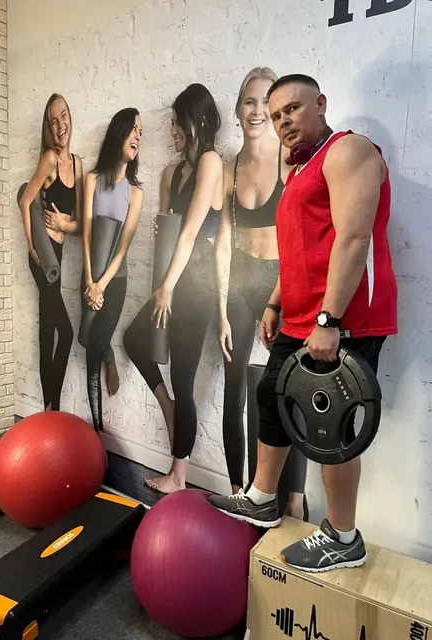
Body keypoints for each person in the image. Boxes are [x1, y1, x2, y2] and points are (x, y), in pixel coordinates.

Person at [210, 73, 398, 573]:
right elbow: (297, 252)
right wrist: (274, 303)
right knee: (271, 395)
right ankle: (262, 497)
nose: (283, 121)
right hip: (301, 319)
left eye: (292, 108)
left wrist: (329, 320)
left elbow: (354, 238)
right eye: (276, 116)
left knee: (330, 426)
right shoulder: (300, 173)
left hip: (343, 321)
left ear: (321, 104)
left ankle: (343, 537)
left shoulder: (348, 151)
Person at [215, 67, 308, 520]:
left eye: (263, 103)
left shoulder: (289, 160)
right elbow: (223, 241)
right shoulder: (228, 169)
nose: (255, 111)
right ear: (238, 110)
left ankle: (292, 500)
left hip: (280, 280)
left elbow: (300, 235)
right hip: (239, 281)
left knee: (288, 388)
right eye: (248, 102)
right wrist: (220, 308)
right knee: (234, 386)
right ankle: (239, 490)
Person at [123, 83, 223, 494]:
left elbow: (191, 232)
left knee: (183, 379)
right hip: (172, 278)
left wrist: (166, 287)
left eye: (177, 122)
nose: (173, 130)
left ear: (197, 121)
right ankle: (167, 405)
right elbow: (168, 229)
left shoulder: (212, 163)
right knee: (133, 339)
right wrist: (162, 276)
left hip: (195, 286)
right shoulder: (172, 172)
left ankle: (178, 476)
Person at [19, 93, 82, 411]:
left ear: (70, 117)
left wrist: (63, 223)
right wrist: (32, 246)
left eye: (64, 116)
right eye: (53, 121)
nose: (60, 125)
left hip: (59, 254)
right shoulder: (49, 159)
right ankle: (53, 407)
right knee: (65, 333)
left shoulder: (77, 164)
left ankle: (48, 409)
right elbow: (25, 199)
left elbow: (82, 223)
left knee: (48, 330)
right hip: (43, 258)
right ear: (48, 127)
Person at [83, 108, 144, 432]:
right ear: (118, 131)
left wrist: (101, 285)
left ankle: (98, 433)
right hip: (89, 276)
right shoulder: (92, 179)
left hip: (115, 282)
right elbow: (87, 234)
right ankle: (109, 359)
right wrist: (89, 279)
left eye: (141, 132)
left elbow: (123, 247)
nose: (138, 137)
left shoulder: (136, 192)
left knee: (95, 343)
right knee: (86, 341)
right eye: (133, 129)